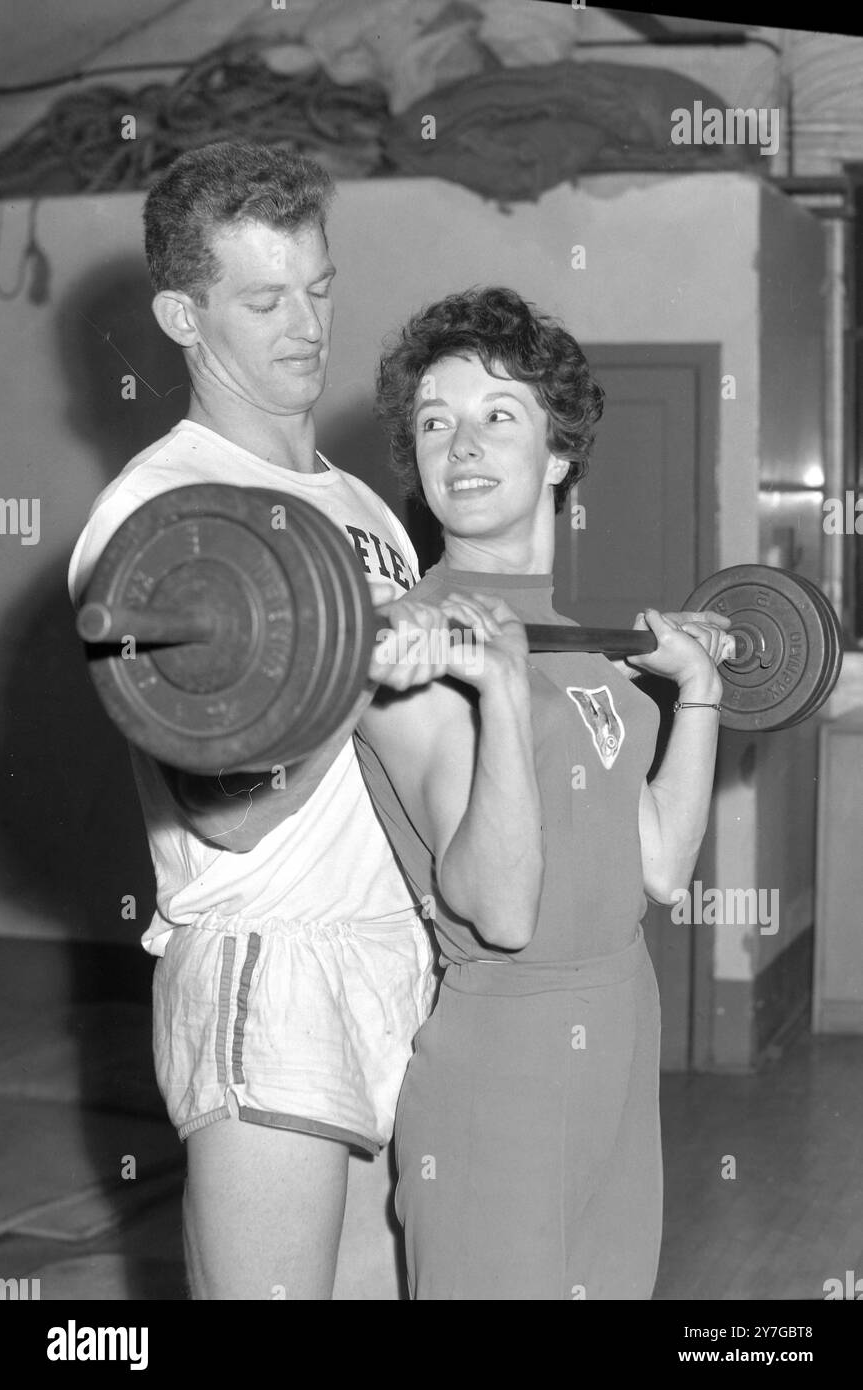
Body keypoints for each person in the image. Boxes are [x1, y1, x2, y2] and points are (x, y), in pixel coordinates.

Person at [67, 141, 470, 1300]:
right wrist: (360, 670)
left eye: (320, 287)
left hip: (397, 953)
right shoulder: (157, 515)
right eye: (262, 299)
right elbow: (231, 816)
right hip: (272, 958)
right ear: (182, 316)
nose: (305, 325)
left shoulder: (364, 512)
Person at [354, 285, 734, 1300]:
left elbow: (655, 863)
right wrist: (496, 696)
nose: (461, 443)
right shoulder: (407, 645)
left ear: (558, 450)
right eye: (434, 421)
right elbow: (501, 906)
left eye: (496, 415)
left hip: (619, 1034)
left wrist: (696, 693)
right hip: (504, 1061)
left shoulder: (588, 644)